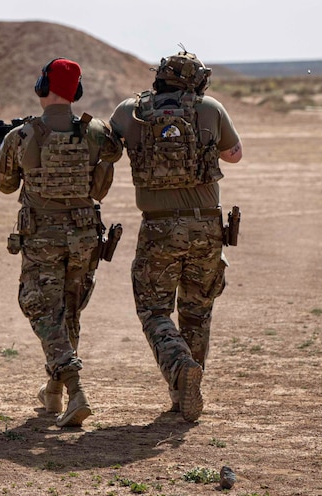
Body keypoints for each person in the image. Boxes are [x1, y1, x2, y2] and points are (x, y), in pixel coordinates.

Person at [110, 51, 242, 422]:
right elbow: (234, 155)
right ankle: (186, 388)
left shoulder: (129, 111)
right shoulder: (211, 108)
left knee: (154, 310)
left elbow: (104, 147)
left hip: (158, 227)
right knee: (198, 311)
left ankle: (180, 368)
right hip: (207, 227)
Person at [0, 58, 123, 427]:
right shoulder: (94, 131)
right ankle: (54, 392)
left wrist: (4, 143)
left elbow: (5, 184)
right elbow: (112, 153)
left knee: (39, 308)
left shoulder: (21, 137)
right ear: (76, 92)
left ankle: (76, 388)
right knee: (69, 311)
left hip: (43, 236)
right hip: (84, 236)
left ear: (41, 86)